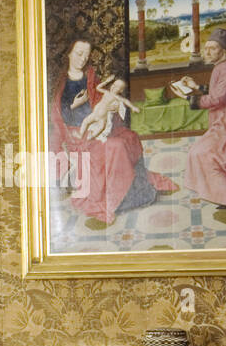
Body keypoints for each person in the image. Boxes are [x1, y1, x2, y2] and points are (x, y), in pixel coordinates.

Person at [49, 39, 176, 223]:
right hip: (78, 136)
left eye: (86, 55)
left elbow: (105, 101)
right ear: (69, 53)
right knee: (116, 147)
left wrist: (113, 109)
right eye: (79, 53)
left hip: (100, 127)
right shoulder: (61, 85)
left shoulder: (91, 77)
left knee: (130, 137)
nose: (83, 59)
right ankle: (119, 198)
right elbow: (59, 116)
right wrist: (76, 105)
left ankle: (133, 192)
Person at [185, 28, 226, 206]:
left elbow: (219, 98)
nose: (208, 52)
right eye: (206, 48)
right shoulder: (224, 65)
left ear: (223, 49)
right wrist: (197, 86)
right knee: (212, 157)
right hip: (224, 120)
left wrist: (190, 99)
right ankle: (224, 196)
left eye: (213, 48)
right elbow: (220, 89)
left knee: (205, 155)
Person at [77, 76, 141, 141]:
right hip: (95, 114)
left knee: (101, 127)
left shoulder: (116, 97)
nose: (114, 87)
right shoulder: (106, 92)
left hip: (103, 117)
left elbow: (125, 101)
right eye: (114, 84)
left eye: (117, 86)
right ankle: (80, 134)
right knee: (85, 121)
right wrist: (106, 81)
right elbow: (98, 88)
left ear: (121, 90)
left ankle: (91, 137)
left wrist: (133, 107)